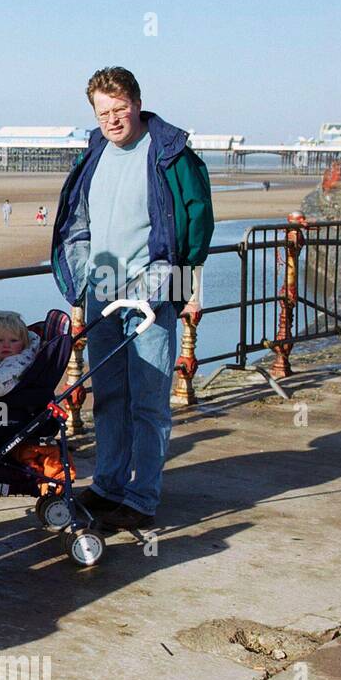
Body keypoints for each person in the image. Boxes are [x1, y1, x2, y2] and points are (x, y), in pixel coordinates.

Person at [50, 66, 213, 530]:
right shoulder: (95, 153)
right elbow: (76, 223)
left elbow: (197, 226)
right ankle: (108, 484)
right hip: (102, 296)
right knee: (109, 397)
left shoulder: (171, 154)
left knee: (149, 401)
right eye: (104, 112)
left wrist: (185, 293)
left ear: (137, 103)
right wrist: (81, 285)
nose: (113, 119)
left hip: (153, 298)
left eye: (120, 109)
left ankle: (142, 497)